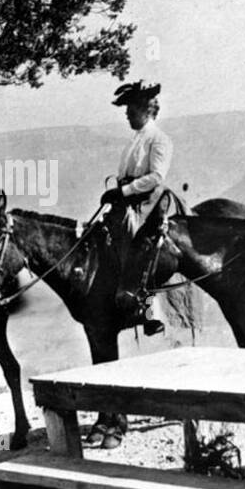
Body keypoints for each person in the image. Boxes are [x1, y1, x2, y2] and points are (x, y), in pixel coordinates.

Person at [100, 79, 174, 337]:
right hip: (128, 199)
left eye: (131, 111)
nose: (127, 115)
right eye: (127, 111)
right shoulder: (135, 140)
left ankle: (149, 310)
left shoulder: (159, 139)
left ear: (146, 110)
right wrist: (116, 193)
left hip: (148, 201)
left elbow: (156, 177)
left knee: (134, 238)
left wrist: (124, 191)